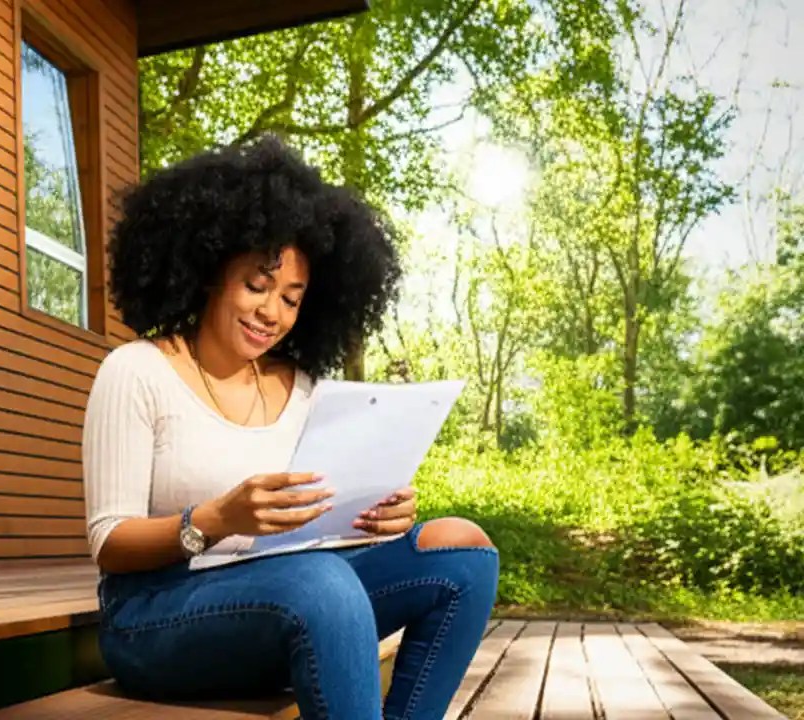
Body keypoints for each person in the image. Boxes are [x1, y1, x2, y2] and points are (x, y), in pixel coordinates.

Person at [82, 136, 499, 720]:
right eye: (257, 285)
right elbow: (108, 542)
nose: (271, 312)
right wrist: (215, 519)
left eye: (291, 298)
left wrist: (378, 518)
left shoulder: (303, 389)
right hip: (157, 615)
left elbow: (319, 528)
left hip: (301, 595)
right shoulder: (137, 372)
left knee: (463, 551)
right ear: (208, 272)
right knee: (320, 582)